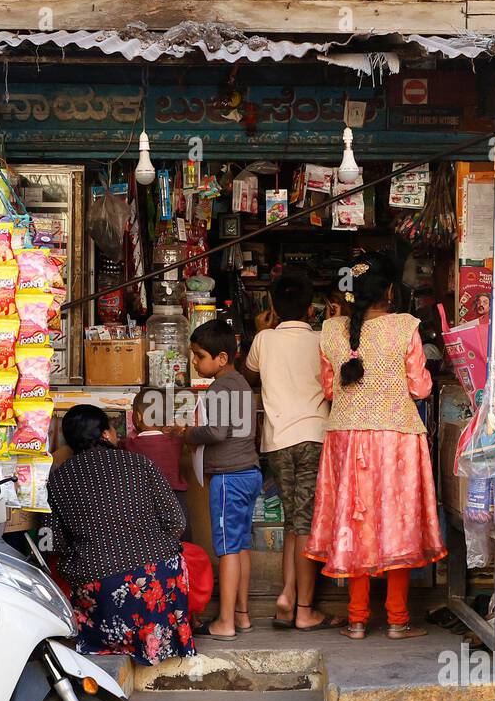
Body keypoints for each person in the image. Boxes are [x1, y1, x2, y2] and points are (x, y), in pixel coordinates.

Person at [307, 254, 446, 641]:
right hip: (395, 437)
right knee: (395, 522)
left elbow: (331, 389)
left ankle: (356, 618)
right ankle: (398, 618)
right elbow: (420, 388)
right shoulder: (404, 327)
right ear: (389, 291)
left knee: (355, 523)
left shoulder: (331, 331)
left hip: (345, 438)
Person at [47, 404, 195, 665]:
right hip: (152, 578)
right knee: (190, 558)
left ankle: (106, 640)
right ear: (105, 434)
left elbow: (55, 543)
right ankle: (159, 639)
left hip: (97, 587)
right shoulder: (138, 462)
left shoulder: (57, 480)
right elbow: (175, 522)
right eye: (113, 429)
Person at [244, 267, 339, 632]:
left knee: (292, 522)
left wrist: (259, 330)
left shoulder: (264, 340)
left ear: (273, 307)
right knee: (307, 525)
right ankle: (301, 608)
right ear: (311, 308)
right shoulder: (321, 340)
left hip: (278, 442)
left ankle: (288, 598)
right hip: (315, 437)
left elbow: (249, 375)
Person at [183, 319, 260, 641]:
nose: (195, 362)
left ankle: (225, 621)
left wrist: (186, 433)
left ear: (222, 358)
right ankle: (241, 615)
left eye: (200, 356)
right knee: (240, 547)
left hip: (229, 478)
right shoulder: (240, 382)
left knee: (227, 550)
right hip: (249, 473)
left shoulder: (220, 388)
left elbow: (216, 432)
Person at [123, 386, 189, 541]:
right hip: (176, 498)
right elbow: (182, 434)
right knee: (182, 542)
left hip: (143, 500)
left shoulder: (129, 445)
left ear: (138, 416)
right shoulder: (176, 441)